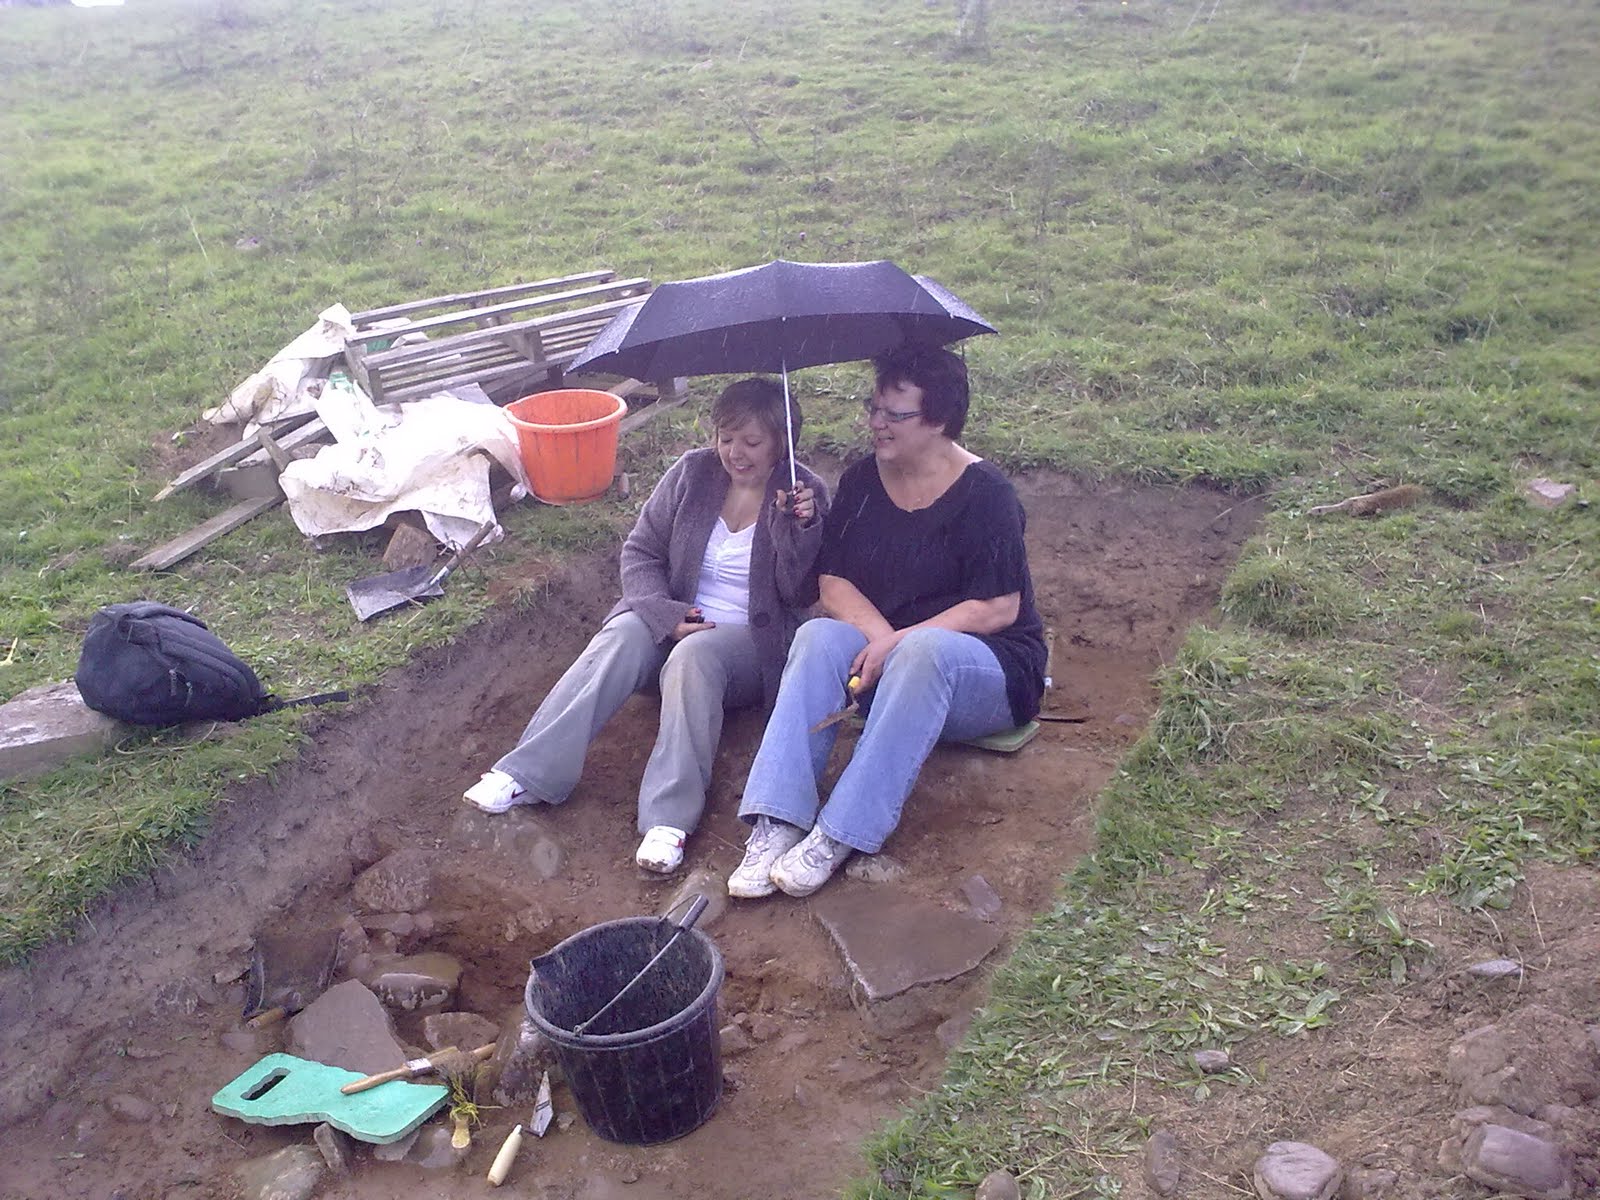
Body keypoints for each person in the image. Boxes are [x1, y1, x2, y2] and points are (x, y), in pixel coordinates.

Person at [463, 378, 828, 875]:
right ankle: (527, 771)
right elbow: (641, 552)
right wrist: (664, 612)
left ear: (781, 441)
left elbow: (801, 595)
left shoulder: (804, 494)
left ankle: (669, 818)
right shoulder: (692, 474)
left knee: (694, 656)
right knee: (623, 631)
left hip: (749, 645)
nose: (735, 453)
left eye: (751, 441)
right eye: (726, 438)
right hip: (677, 620)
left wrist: (796, 532)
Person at [727, 346, 1045, 899]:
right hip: (886, 670)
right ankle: (777, 818)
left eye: (894, 415)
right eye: (873, 408)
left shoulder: (988, 495)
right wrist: (883, 641)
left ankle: (840, 831)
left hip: (983, 673)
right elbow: (832, 583)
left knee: (925, 654)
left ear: (938, 421)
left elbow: (998, 608)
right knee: (819, 635)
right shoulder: (860, 483)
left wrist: (899, 643)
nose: (876, 423)